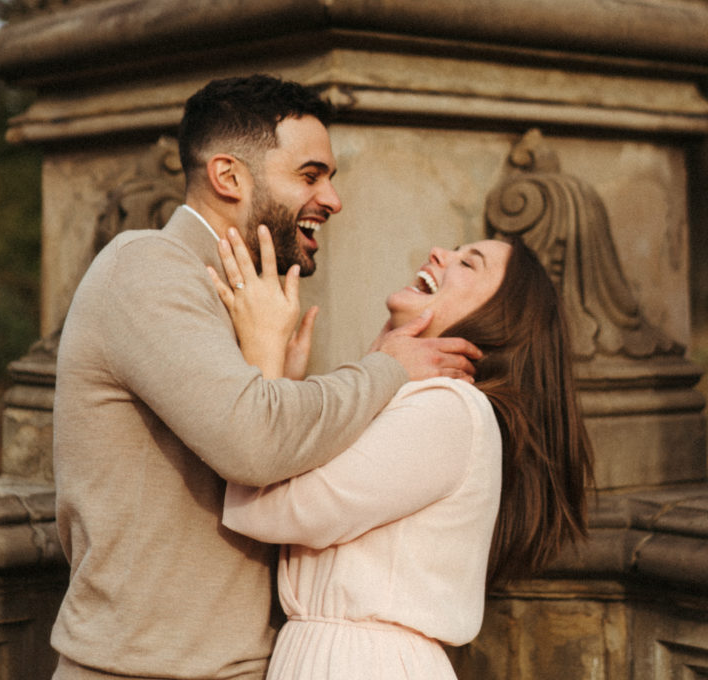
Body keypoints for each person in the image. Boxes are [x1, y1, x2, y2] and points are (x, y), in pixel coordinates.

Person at [50, 74, 482, 680]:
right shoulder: (147, 268)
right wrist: (388, 368)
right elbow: (255, 443)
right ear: (229, 177)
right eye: (310, 176)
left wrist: (281, 386)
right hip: (136, 669)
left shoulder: (244, 300)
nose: (333, 200)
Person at [216, 227, 594, 680]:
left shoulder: (450, 411)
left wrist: (263, 354)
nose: (438, 252)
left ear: (498, 321)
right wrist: (313, 386)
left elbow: (272, 508)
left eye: (468, 262)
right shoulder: (418, 403)